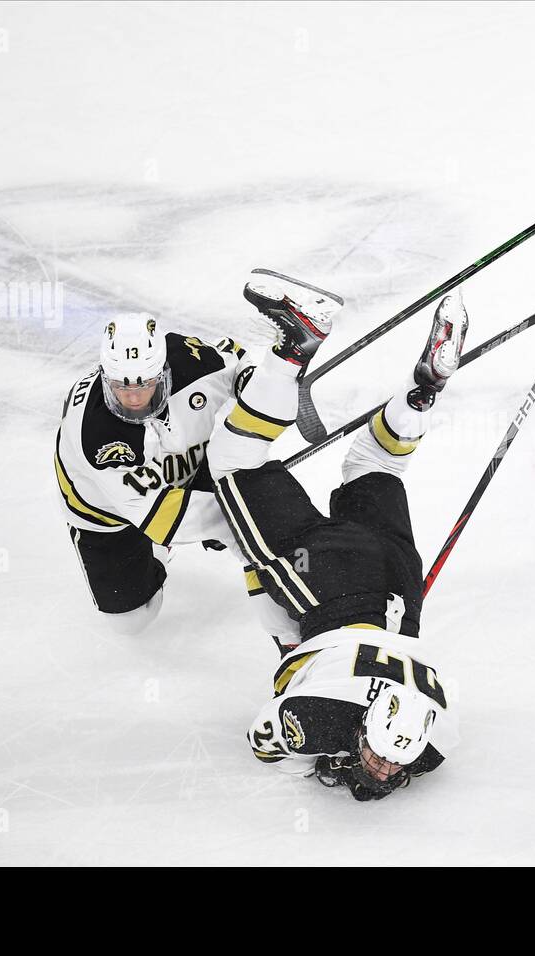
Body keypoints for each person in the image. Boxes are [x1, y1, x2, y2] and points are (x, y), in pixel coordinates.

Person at [206, 274, 465, 800]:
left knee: (377, 464)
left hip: (400, 587)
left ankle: (416, 402)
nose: (382, 770)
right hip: (328, 582)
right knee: (233, 463)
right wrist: (314, 760)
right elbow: (267, 743)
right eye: (381, 757)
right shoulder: (313, 722)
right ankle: (292, 348)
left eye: (389, 763)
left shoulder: (438, 741)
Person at [54, 312, 253, 633]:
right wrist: (230, 521)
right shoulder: (94, 434)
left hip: (175, 469)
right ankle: (158, 551)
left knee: (242, 526)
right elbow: (160, 516)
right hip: (106, 513)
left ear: (163, 369)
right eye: (121, 386)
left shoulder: (190, 360)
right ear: (105, 377)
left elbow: (234, 356)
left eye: (145, 384)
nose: (133, 397)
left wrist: (251, 381)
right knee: (131, 622)